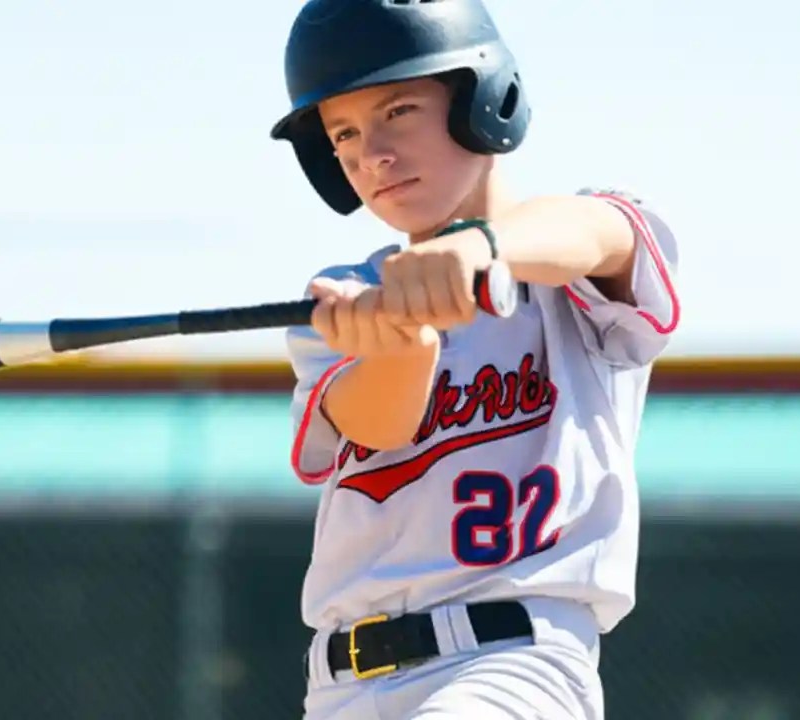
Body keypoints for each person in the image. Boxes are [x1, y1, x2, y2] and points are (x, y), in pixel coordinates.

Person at [271, 1, 682, 718]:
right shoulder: (346, 301)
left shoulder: (568, 270)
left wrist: (479, 247)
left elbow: (602, 231)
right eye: (343, 132)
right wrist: (403, 346)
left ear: (485, 100)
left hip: (511, 664)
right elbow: (381, 421)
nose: (371, 153)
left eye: (398, 109)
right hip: (338, 685)